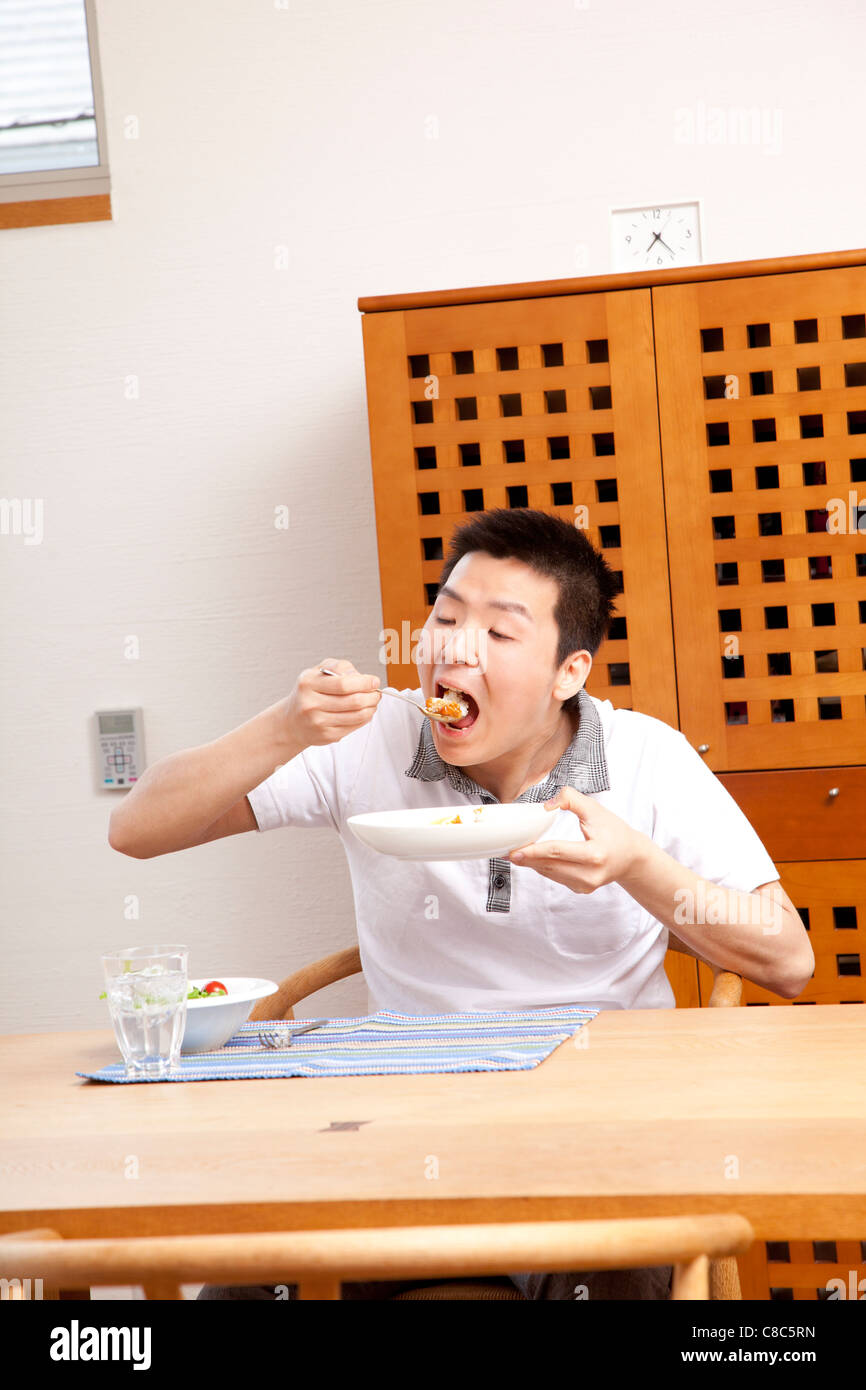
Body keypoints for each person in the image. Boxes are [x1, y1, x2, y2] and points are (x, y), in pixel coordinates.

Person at [109, 508, 813, 1301]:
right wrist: (282, 728)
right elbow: (136, 829)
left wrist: (637, 865)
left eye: (500, 634)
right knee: (245, 1281)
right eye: (445, 618)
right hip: (399, 1142)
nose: (454, 649)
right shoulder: (370, 739)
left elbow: (787, 958)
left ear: (569, 673)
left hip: (597, 1143)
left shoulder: (648, 759)